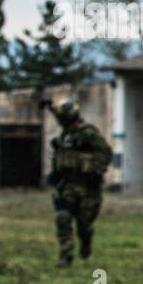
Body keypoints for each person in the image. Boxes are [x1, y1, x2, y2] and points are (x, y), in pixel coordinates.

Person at [44, 97, 113, 268]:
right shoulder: (66, 134)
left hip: (88, 187)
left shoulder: (87, 133)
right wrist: (48, 105)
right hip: (69, 184)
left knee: (84, 224)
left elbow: (105, 152)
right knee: (63, 217)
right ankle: (65, 257)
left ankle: (86, 243)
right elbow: (59, 113)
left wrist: (97, 171)